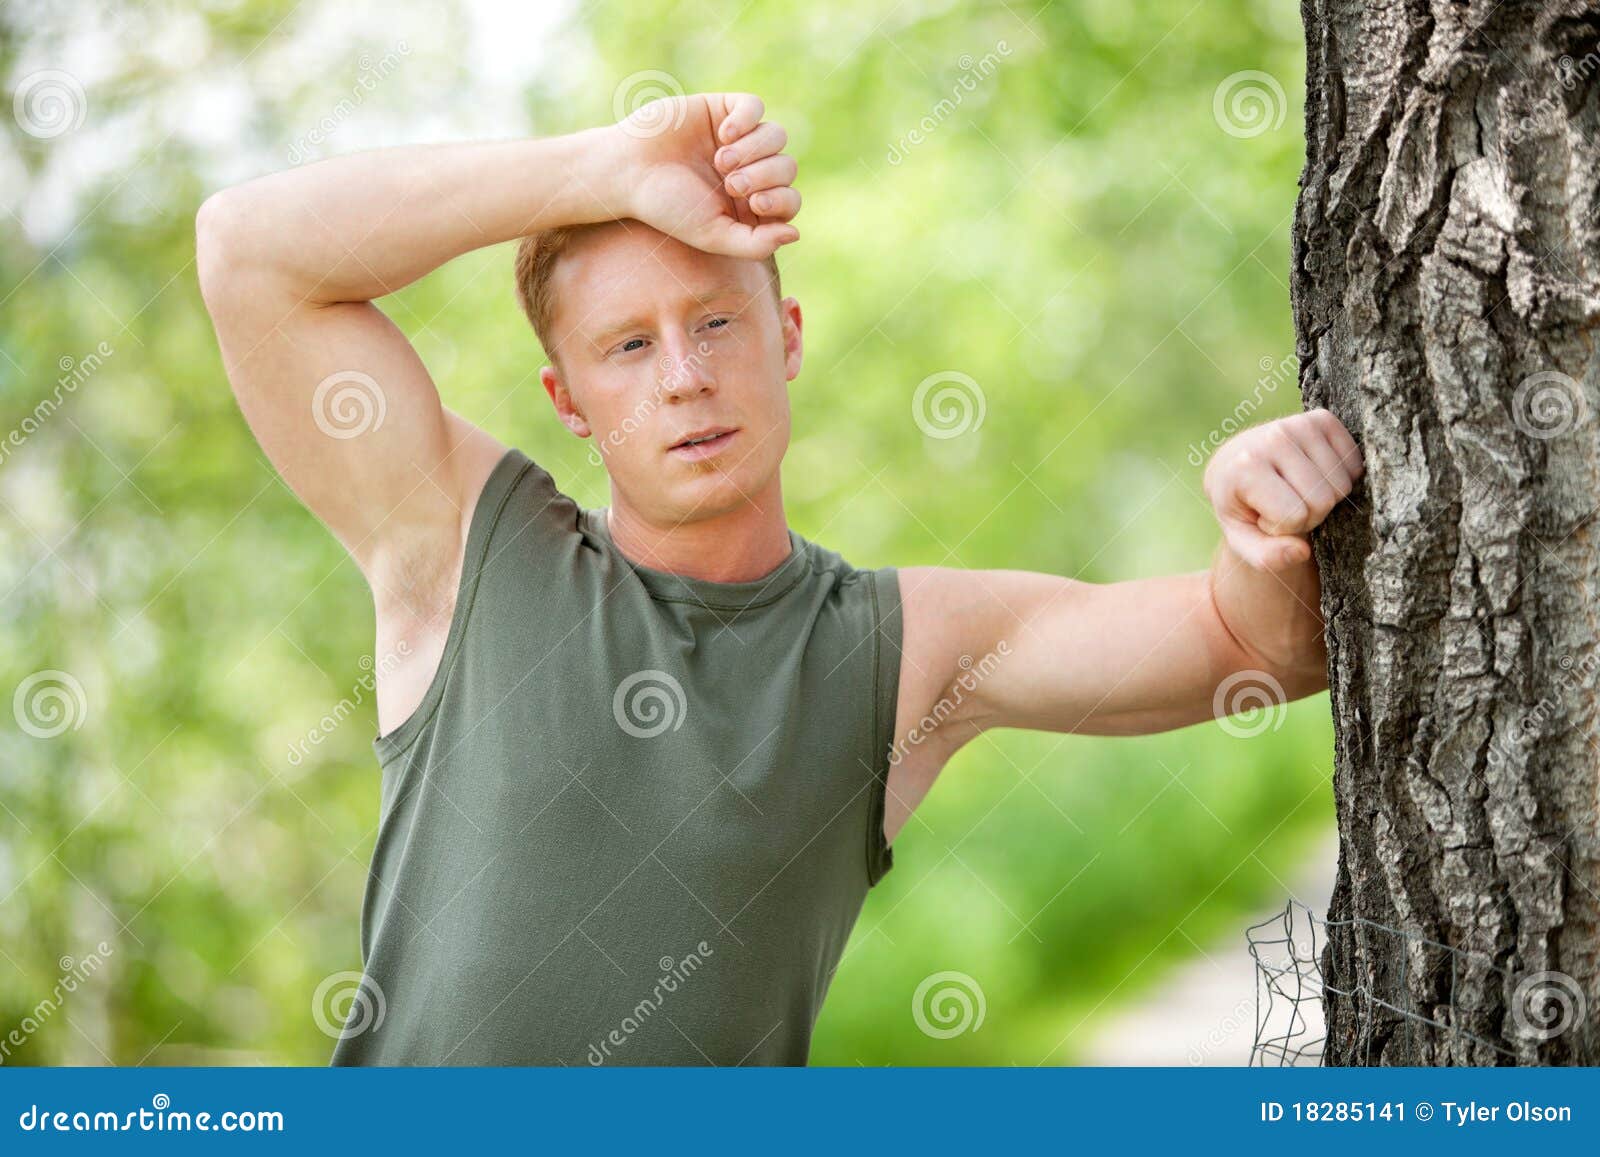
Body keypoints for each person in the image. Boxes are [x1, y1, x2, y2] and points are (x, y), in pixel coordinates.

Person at [195, 92, 1363, 1065]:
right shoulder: (464, 552)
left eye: (715, 322)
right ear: (570, 402)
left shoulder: (900, 650)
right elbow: (250, 251)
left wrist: (1257, 529)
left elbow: (1255, 645)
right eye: (628, 346)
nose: (686, 377)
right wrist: (604, 166)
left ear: (788, 338)